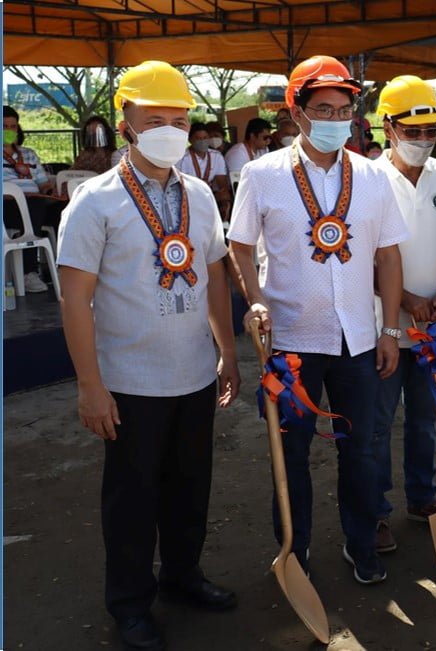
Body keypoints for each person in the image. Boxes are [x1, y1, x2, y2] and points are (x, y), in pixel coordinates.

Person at [56, 60, 240, 651]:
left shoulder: (199, 196)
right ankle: (131, 605)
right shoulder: (95, 201)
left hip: (192, 375)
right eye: (154, 117)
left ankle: (182, 577)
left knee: (190, 489)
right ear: (126, 121)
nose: (169, 128)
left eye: (179, 119)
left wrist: (228, 352)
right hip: (130, 382)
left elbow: (214, 278)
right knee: (132, 502)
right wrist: (91, 385)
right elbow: (75, 300)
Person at [227, 55, 408, 585]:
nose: (335, 119)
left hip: (357, 339)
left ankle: (360, 542)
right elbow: (239, 249)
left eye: (345, 109)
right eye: (323, 108)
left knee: (363, 450)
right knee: (292, 455)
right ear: (296, 112)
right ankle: (294, 551)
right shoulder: (260, 177)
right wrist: (254, 299)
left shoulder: (374, 177)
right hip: (289, 344)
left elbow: (389, 257)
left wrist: (391, 329)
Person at [369, 76, 436, 553]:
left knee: (425, 419)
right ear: (388, 127)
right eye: (414, 132)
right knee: (376, 423)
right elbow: (359, 258)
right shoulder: (367, 179)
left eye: (432, 132)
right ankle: (373, 513)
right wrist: (405, 301)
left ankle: (422, 497)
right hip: (382, 327)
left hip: (433, 328)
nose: (424, 141)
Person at [3, 104, 63, 293]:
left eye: (13, 127)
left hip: (36, 203)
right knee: (34, 206)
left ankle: (65, 267)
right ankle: (29, 271)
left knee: (65, 210)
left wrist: (49, 190)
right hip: (7, 206)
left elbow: (43, 182)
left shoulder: (28, 154)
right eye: (4, 126)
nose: (9, 131)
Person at [177, 122, 231, 220]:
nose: (202, 141)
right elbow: (181, 185)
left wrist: (220, 193)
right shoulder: (183, 158)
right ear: (190, 140)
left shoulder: (216, 156)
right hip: (191, 194)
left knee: (225, 196)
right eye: (198, 138)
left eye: (205, 138)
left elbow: (222, 184)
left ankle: (224, 224)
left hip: (210, 194)